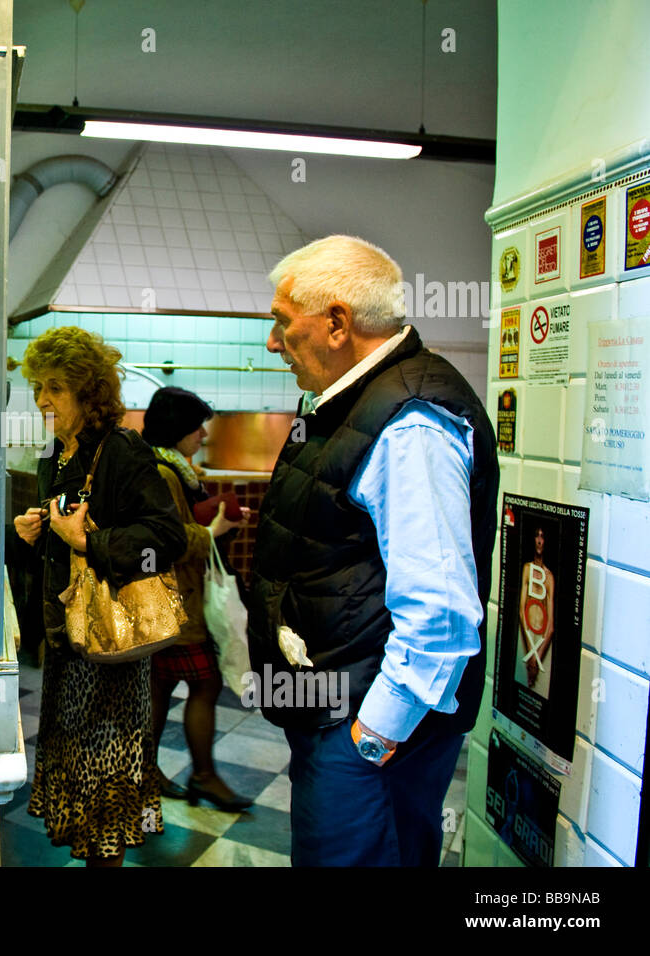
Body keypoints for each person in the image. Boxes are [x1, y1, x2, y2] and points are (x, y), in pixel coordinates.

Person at [248, 235, 500, 866]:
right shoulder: (345, 403)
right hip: (331, 702)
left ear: (337, 323)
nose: (273, 344)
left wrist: (372, 737)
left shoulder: (411, 420)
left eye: (282, 324)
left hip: (367, 726)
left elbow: (440, 614)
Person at [12, 326, 187, 866]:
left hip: (111, 645)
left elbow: (167, 537)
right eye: (39, 387)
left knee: (104, 786)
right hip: (69, 642)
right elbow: (64, 531)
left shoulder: (122, 449)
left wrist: (87, 540)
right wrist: (34, 531)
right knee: (80, 782)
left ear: (89, 391)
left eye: (56, 388)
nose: (43, 399)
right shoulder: (58, 455)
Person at [141, 386, 253, 810]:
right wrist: (213, 533)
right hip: (177, 602)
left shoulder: (169, 468)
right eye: (197, 426)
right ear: (178, 429)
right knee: (204, 684)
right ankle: (203, 776)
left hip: (165, 601)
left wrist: (217, 522)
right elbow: (168, 538)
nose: (203, 435)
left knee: (161, 685)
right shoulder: (166, 473)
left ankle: (147, 772)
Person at [515, 525, 555, 697]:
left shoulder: (549, 577)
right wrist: (531, 650)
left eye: (542, 536)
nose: (539, 540)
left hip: (542, 641)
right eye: (537, 536)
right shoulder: (527, 569)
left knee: (538, 693)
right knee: (521, 686)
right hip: (526, 636)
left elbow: (551, 626)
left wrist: (536, 656)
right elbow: (521, 610)